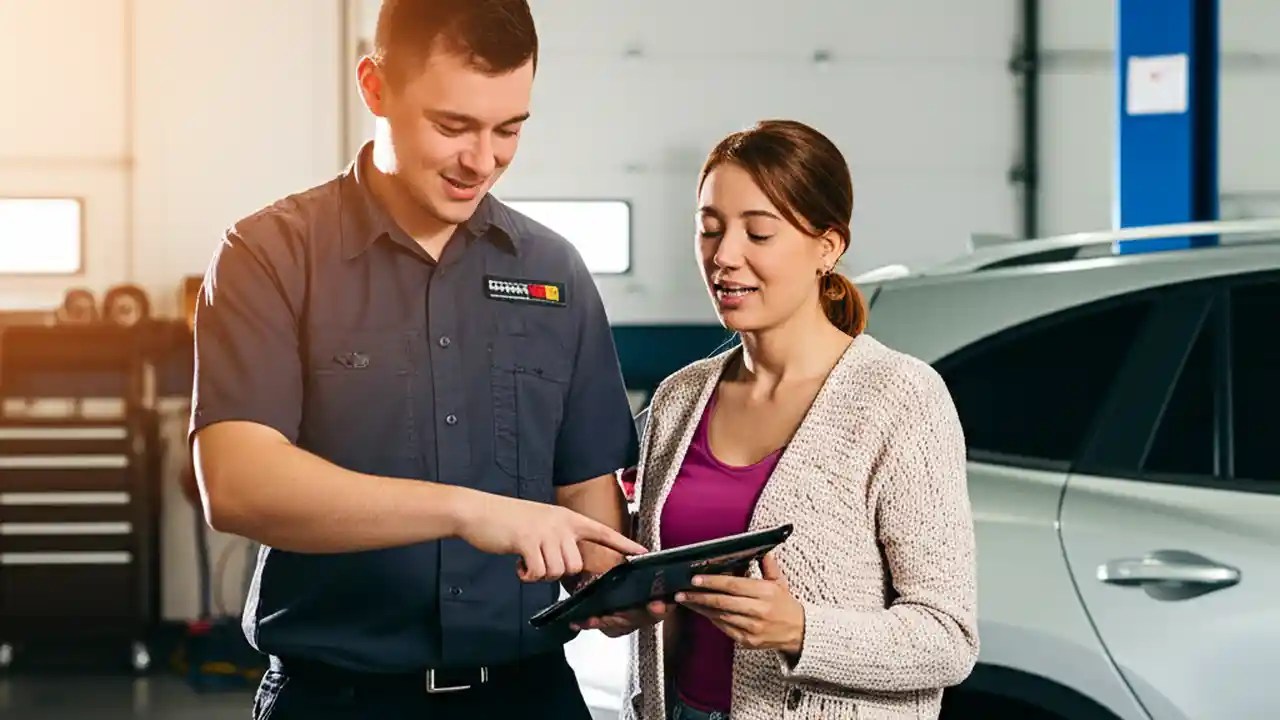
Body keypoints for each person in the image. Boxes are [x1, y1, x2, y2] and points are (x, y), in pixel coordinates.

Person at [187, 1, 645, 718]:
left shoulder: (555, 271)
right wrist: (464, 512)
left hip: (531, 696)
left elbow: (588, 500)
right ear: (374, 87)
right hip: (338, 699)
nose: (482, 160)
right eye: (452, 126)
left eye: (509, 129)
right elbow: (239, 485)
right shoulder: (269, 256)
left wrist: (618, 589)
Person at [581, 120, 979, 720]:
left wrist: (801, 630)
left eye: (759, 233)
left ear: (828, 246)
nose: (724, 256)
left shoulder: (901, 399)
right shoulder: (679, 400)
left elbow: (948, 641)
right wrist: (624, 603)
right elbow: (656, 581)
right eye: (709, 230)